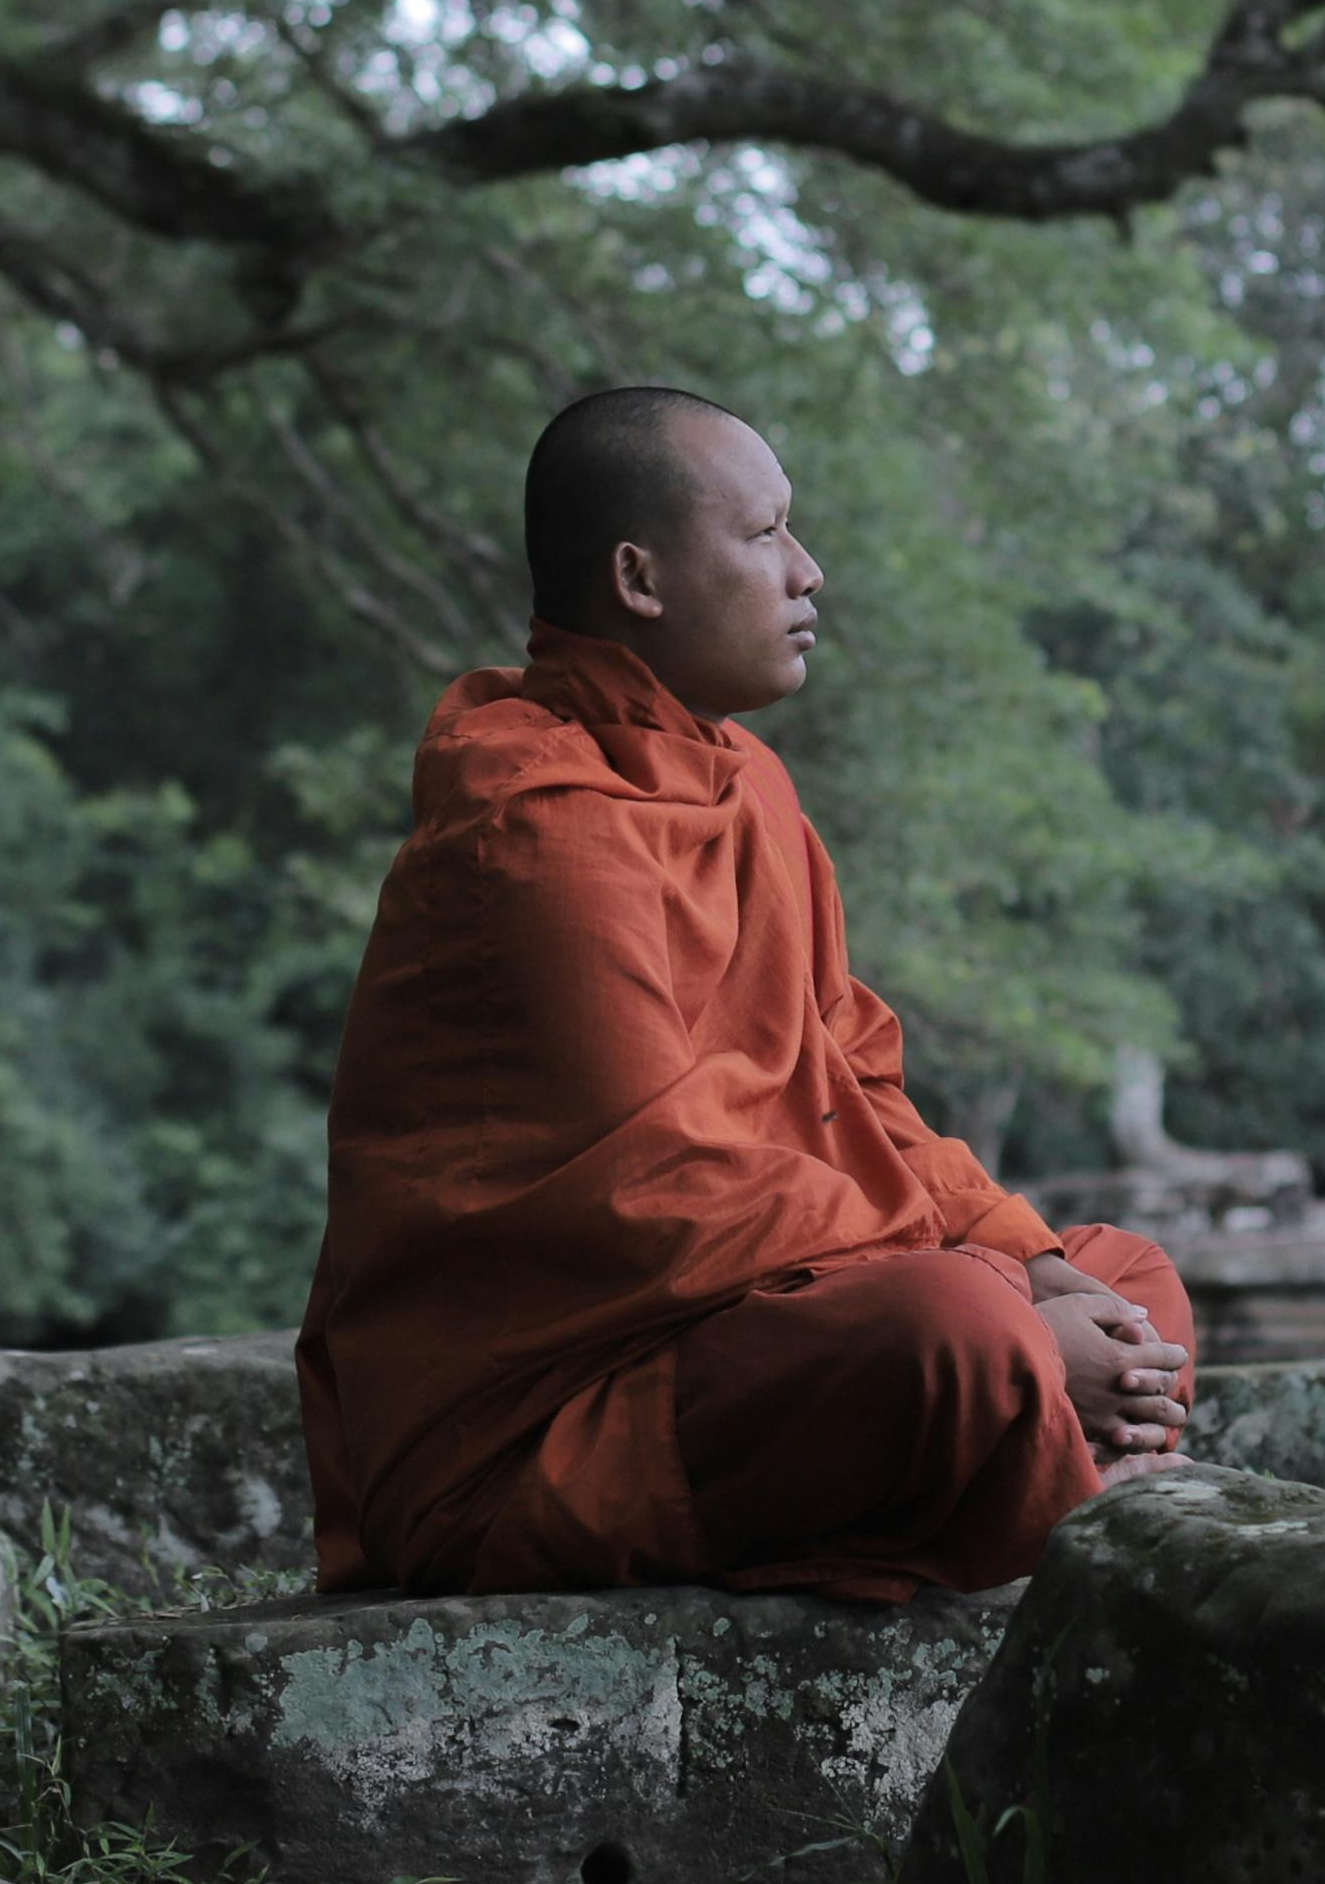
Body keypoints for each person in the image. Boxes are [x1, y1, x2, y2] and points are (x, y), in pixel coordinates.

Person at [293, 385, 1200, 1600]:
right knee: (955, 1331)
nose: (808, 570)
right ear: (640, 577)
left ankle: (1035, 1468)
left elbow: (855, 1086)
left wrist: (1029, 1259)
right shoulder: (538, 827)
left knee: (1128, 1278)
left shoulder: (749, 784)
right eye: (766, 532)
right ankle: (1068, 1496)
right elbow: (658, 1183)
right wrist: (1015, 1313)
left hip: (759, 1322)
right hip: (554, 1412)